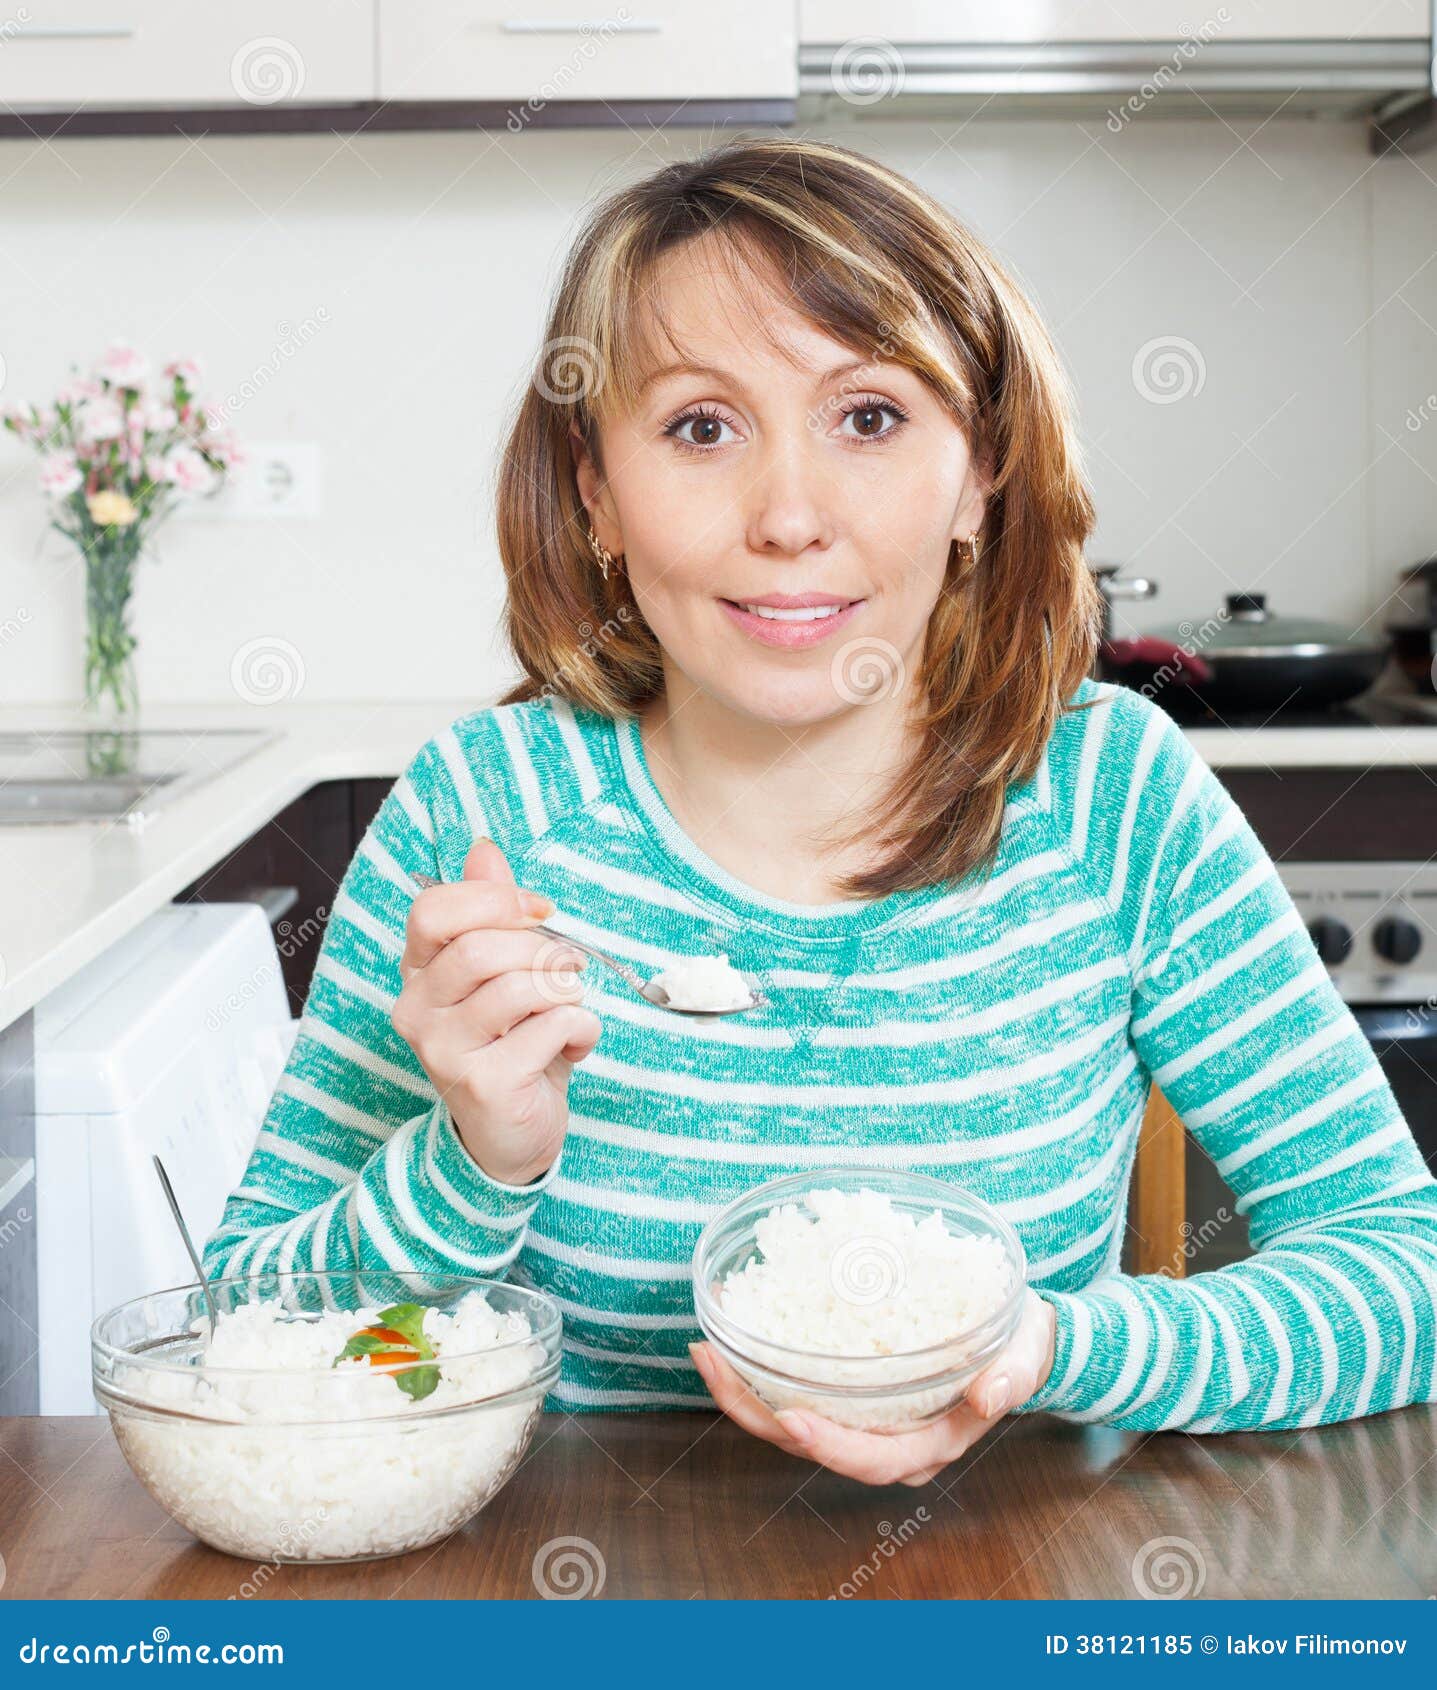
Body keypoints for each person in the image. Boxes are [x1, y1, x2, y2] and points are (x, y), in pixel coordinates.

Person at [202, 136, 1437, 1488]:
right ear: (596, 492)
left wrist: (1048, 1349)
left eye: (867, 417)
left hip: (1001, 1577)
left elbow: (1403, 1274)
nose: (788, 515)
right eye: (699, 427)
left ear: (979, 475)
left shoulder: (1110, 796)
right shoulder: (489, 815)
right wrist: (471, 1165)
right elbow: (238, 1328)